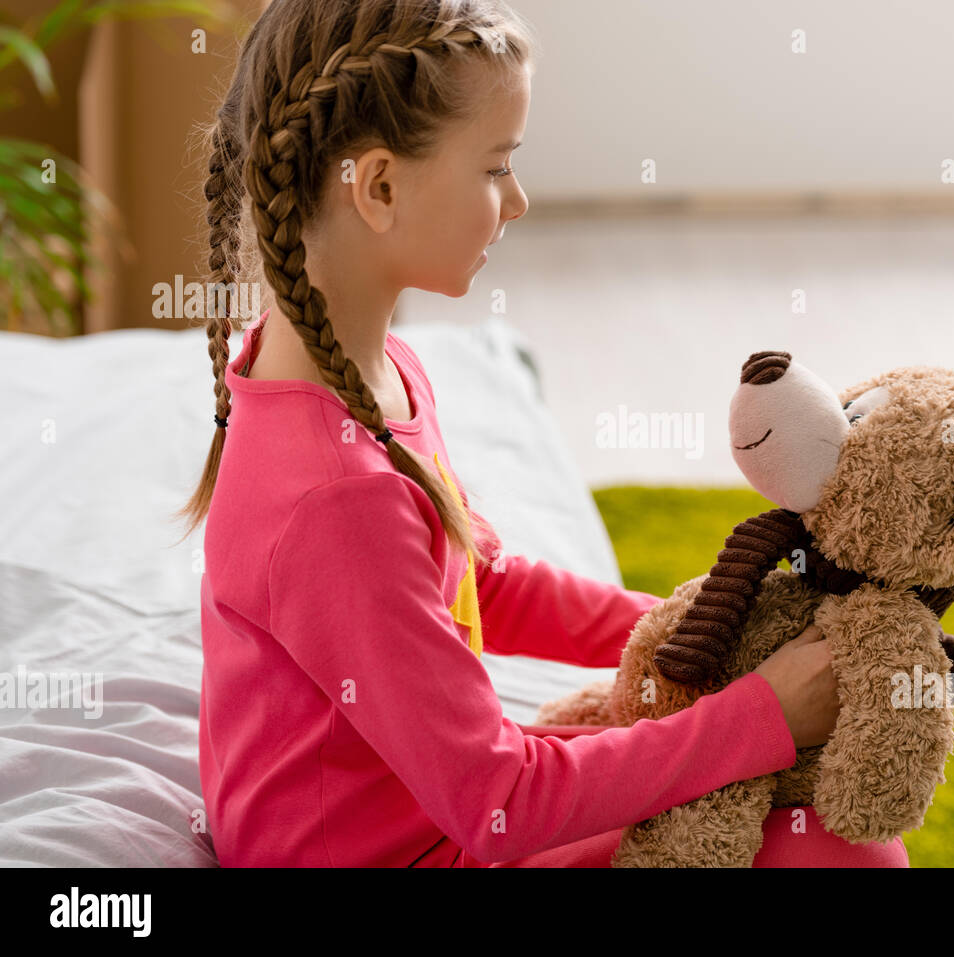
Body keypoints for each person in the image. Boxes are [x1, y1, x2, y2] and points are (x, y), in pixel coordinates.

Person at [176, 0, 907, 868]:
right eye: (495, 168)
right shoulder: (337, 502)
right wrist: (762, 715)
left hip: (430, 816)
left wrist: (710, 627)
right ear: (377, 186)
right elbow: (501, 801)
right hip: (427, 843)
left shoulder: (366, 370)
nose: (517, 201)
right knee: (834, 846)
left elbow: (481, 585)